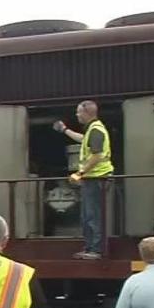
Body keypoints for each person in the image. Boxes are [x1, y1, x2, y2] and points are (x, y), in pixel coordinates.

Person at [54, 100, 114, 259]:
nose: (77, 114)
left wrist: (80, 173)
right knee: (88, 215)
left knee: (93, 215)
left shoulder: (96, 130)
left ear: (87, 113)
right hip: (92, 179)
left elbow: (97, 155)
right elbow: (82, 139)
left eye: (78, 112)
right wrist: (65, 130)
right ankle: (90, 249)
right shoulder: (92, 131)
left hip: (97, 179)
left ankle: (96, 250)